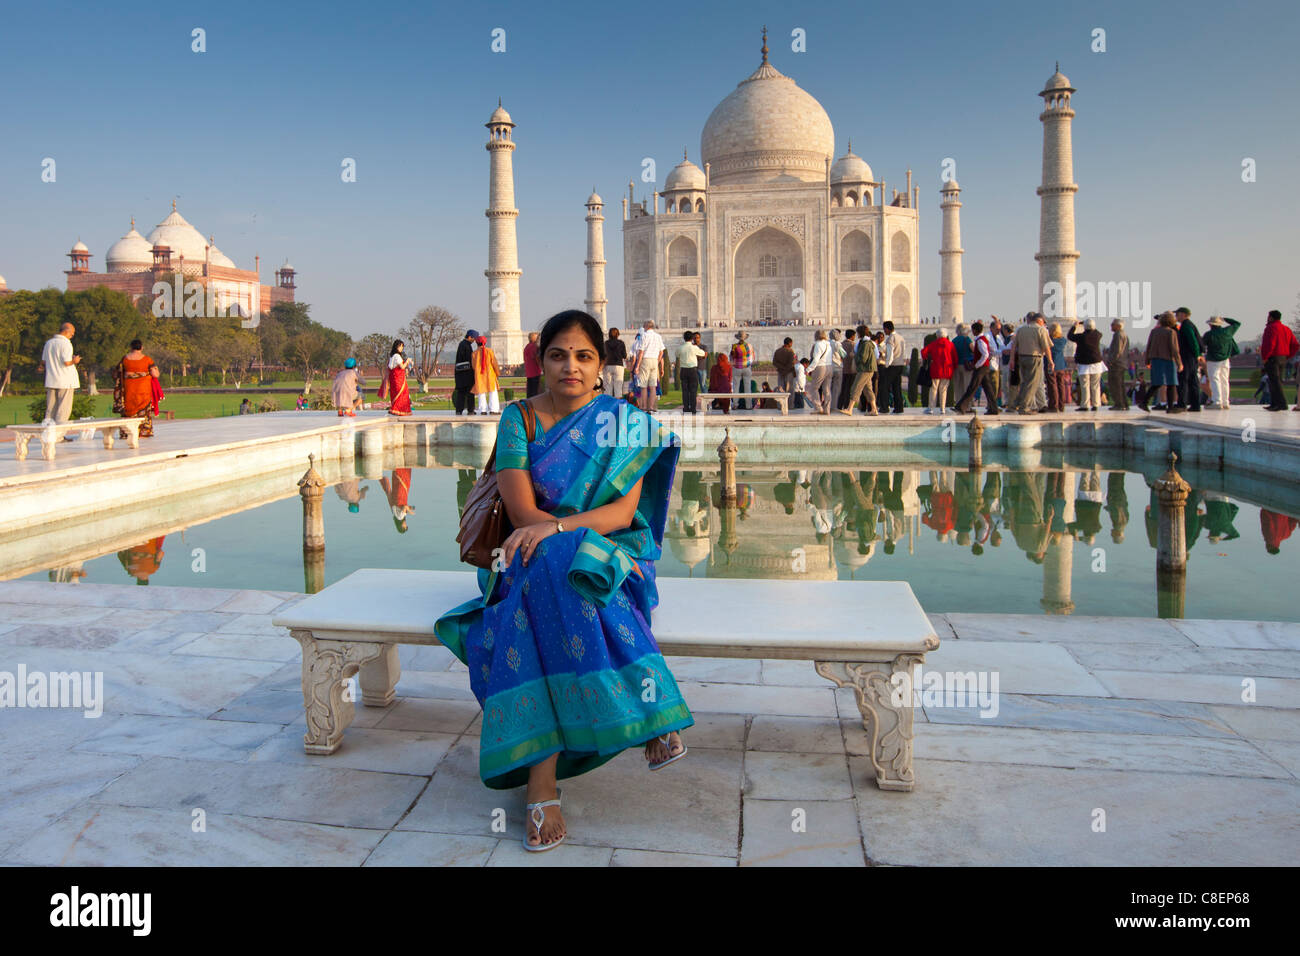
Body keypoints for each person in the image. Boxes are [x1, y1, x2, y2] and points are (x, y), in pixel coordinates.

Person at [434, 309, 692, 852]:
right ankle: (646, 710)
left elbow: (622, 516)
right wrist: (553, 532)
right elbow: (522, 510)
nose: (569, 367)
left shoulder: (625, 422)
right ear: (541, 360)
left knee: (555, 568)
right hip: (528, 551)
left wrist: (559, 529)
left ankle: (541, 785)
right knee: (552, 564)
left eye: (583, 356)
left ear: (601, 364)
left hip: (609, 557)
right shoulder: (519, 419)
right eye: (558, 355)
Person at [112, 339, 162, 437]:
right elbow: (155, 374)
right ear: (141, 348)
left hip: (129, 390)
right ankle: (143, 432)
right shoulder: (147, 360)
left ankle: (127, 433)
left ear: (131, 347)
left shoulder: (125, 359)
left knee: (128, 411)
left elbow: (117, 373)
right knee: (144, 412)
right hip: (144, 390)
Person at [39, 321, 81, 426]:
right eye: (72, 332)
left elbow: (43, 361)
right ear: (67, 331)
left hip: (51, 379)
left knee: (50, 409)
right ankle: (59, 435)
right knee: (63, 409)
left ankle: (47, 432)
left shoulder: (49, 343)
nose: (73, 335)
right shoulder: (66, 343)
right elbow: (66, 362)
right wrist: (75, 361)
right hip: (65, 381)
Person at [954, 320, 1000, 414]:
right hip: (984, 367)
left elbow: (985, 354)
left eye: (973, 330)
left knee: (972, 387)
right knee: (988, 389)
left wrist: (977, 365)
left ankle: (961, 407)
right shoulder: (982, 339)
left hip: (981, 368)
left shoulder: (980, 340)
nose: (972, 332)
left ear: (975, 330)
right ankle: (993, 408)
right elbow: (988, 353)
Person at [1011, 313, 1053, 413]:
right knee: (1032, 383)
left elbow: (1014, 346)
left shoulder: (1021, 329)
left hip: (1022, 358)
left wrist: (1011, 360)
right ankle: (1024, 407)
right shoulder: (1040, 329)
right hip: (1035, 358)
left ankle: (1016, 403)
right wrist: (1051, 361)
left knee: (1025, 382)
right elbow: (1046, 347)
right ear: (1039, 321)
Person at [1144, 311, 1184, 413]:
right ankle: (1170, 407)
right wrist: (1179, 363)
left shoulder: (1154, 332)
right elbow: (1174, 349)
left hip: (1155, 360)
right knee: (1171, 383)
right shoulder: (1171, 332)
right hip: (1168, 360)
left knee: (1157, 383)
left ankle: (1144, 402)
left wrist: (1147, 360)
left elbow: (1149, 346)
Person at [1260, 309, 1298, 412]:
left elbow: (1269, 344)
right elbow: (1295, 345)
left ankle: (1281, 404)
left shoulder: (1271, 328)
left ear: (1271, 317)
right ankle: (1274, 403)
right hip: (1282, 357)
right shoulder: (1286, 329)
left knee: (1274, 381)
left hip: (1273, 358)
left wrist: (1265, 357)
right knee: (1276, 381)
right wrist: (1288, 355)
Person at [1201, 316, 1241, 410]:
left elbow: (1202, 345)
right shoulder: (1227, 331)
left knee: (1215, 380)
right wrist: (1225, 319)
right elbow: (1237, 323)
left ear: (1210, 324)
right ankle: (1225, 402)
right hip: (1225, 360)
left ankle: (1217, 401)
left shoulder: (1209, 334)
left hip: (1213, 360)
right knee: (1224, 380)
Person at [840, 324, 879, 416]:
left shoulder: (866, 344)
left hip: (865, 369)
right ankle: (874, 409)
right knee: (868, 389)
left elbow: (863, 358)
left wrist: (854, 356)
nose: (856, 334)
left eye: (857, 333)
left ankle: (849, 409)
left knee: (856, 387)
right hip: (867, 369)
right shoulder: (865, 342)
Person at [1068, 318, 1105, 411]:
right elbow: (1098, 331)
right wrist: (1089, 324)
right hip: (1096, 363)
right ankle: (1096, 404)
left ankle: (1085, 405)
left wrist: (1075, 326)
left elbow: (1070, 336)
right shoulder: (1097, 335)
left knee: (1085, 385)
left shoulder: (1081, 337)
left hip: (1084, 364)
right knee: (1095, 385)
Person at [628, 320, 665, 412]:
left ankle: (644, 406)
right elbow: (661, 352)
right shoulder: (658, 336)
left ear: (646, 326)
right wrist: (657, 361)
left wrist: (637, 366)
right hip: (654, 361)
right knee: (653, 386)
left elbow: (641, 352)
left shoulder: (644, 336)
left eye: (644, 326)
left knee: (643, 386)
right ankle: (651, 407)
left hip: (645, 360)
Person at [1172, 307, 1203, 411]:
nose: (1176, 316)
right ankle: (1195, 405)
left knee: (1184, 380)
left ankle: (1182, 403)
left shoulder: (1186, 326)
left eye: (1177, 314)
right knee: (1192, 381)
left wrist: (1197, 354)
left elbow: (1193, 341)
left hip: (1188, 357)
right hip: (1191, 357)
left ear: (1184, 315)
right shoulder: (1188, 325)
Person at [920, 328, 956, 413]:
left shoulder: (933, 344)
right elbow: (955, 357)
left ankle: (931, 408)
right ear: (946, 335)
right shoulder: (950, 344)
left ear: (937, 335)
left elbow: (923, 352)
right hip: (947, 370)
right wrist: (953, 367)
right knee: (943, 389)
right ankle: (942, 409)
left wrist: (927, 358)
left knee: (933, 389)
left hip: (936, 369)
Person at [880, 321, 907, 414]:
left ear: (887, 328)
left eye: (884, 329)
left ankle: (884, 407)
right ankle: (899, 407)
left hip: (892, 365)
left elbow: (890, 354)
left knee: (884, 387)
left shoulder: (891, 338)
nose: (884, 332)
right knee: (897, 387)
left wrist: (887, 365)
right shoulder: (900, 337)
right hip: (900, 364)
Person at [675, 331, 705, 413]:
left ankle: (686, 408)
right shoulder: (694, 347)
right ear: (692, 339)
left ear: (684, 338)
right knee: (693, 390)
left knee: (685, 390)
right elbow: (702, 353)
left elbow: (677, 354)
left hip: (684, 370)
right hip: (692, 370)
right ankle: (693, 408)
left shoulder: (680, 348)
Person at [384, 340, 415, 416]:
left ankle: (396, 409)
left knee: (396, 393)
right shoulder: (397, 356)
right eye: (401, 346)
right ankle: (400, 410)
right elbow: (402, 367)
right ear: (397, 346)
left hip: (394, 378)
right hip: (398, 379)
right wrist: (407, 361)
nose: (402, 348)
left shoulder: (392, 356)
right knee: (402, 393)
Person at [379, 468, 415, 533]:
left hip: (401, 495)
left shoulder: (400, 517)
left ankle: (402, 468)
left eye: (405, 527)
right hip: (397, 494)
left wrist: (410, 511)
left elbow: (404, 507)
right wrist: (410, 508)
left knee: (404, 478)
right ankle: (398, 468)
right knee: (398, 480)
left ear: (401, 526)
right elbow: (401, 507)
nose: (406, 525)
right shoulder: (395, 515)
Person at [472, 335, 501, 414]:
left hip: (479, 375)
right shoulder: (489, 351)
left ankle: (483, 410)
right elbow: (494, 363)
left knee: (481, 393)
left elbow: (474, 366)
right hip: (490, 375)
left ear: (476, 343)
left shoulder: (474, 353)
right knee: (493, 392)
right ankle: (493, 410)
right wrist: (497, 373)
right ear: (485, 342)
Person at [1106, 319, 1130, 410]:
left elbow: (1117, 351)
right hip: (1122, 363)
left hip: (1116, 364)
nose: (1111, 326)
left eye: (1112, 325)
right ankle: (1124, 404)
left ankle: (1119, 404)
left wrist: (1111, 361)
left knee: (1115, 385)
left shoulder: (1118, 335)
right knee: (1120, 385)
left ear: (1118, 326)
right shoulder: (1124, 334)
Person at [807, 329, 833, 413]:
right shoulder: (828, 344)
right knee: (827, 389)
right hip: (829, 367)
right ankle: (827, 409)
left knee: (814, 388)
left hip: (820, 367)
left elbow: (816, 359)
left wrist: (808, 369)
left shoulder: (818, 344)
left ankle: (818, 408)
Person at [1045, 323, 1070, 412]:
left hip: (1051, 365)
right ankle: (1061, 405)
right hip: (1061, 365)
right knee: (1061, 385)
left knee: (1052, 386)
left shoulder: (1049, 341)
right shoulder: (1063, 340)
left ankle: (1053, 405)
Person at [453, 330, 477, 415]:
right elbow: (469, 360)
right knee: (470, 393)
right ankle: (470, 410)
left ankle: (459, 410)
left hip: (460, 374)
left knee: (461, 393)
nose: (474, 340)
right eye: (473, 338)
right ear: (469, 337)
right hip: (466, 374)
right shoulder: (466, 346)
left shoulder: (462, 344)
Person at [951, 323, 974, 409]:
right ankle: (967, 405)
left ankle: (958, 404)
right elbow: (973, 349)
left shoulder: (954, 340)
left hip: (956, 366)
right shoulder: (967, 339)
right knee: (967, 385)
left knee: (958, 386)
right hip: (966, 366)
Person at [730, 331, 754, 410]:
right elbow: (752, 357)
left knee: (736, 387)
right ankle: (748, 405)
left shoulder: (734, 346)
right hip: (747, 367)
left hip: (737, 368)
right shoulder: (749, 346)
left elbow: (731, 357)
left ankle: (735, 405)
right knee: (748, 387)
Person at [602, 327, 626, 398]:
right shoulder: (621, 343)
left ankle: (608, 407)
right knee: (618, 389)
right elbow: (624, 356)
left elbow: (603, 355)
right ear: (618, 334)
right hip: (619, 366)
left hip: (608, 365)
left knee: (607, 389)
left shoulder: (605, 343)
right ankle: (618, 407)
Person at [828, 329, 845, 413]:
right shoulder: (837, 344)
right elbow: (844, 354)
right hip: (837, 368)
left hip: (828, 368)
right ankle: (833, 406)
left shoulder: (827, 343)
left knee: (828, 388)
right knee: (836, 388)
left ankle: (827, 406)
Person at [523, 331, 542, 398]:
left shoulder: (526, 347)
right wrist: (541, 366)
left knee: (530, 391)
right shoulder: (534, 346)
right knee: (535, 391)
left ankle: (529, 404)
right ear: (534, 338)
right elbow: (536, 357)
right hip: (535, 371)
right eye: (537, 338)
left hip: (529, 372)